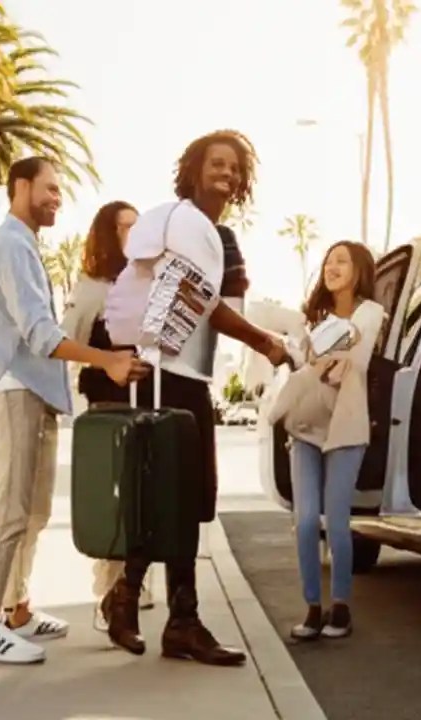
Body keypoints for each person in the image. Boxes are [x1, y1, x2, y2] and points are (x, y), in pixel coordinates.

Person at [100, 129, 289, 667]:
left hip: (187, 377)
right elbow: (203, 304)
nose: (226, 173)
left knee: (190, 495)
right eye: (216, 164)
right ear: (193, 169)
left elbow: (216, 302)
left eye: (234, 167)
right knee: (170, 495)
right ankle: (172, 615)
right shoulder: (179, 224)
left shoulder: (215, 236)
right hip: (161, 376)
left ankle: (134, 602)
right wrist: (264, 342)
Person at [0, 156, 149, 665]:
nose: (56, 199)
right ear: (19, 186)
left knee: (34, 511)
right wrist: (108, 359)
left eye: (59, 192)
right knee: (9, 511)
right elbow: (42, 334)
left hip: (35, 391)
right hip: (14, 387)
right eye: (48, 188)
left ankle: (17, 610)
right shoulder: (9, 246)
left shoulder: (24, 245)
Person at [268, 240, 383, 640]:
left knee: (337, 521)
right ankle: (313, 608)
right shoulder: (311, 316)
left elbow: (357, 355)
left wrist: (317, 350)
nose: (331, 267)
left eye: (341, 261)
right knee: (303, 522)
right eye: (328, 261)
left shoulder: (369, 313)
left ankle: (342, 607)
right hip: (305, 424)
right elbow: (306, 360)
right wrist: (310, 350)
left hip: (346, 426)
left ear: (359, 269)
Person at [58, 200, 157, 627]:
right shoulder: (93, 286)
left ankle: (129, 584)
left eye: (138, 226)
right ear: (107, 232)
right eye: (124, 228)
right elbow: (68, 342)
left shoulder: (148, 281)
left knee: (143, 496)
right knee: (115, 498)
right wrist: (108, 360)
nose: (133, 235)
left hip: (148, 402)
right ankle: (109, 593)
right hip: (108, 404)